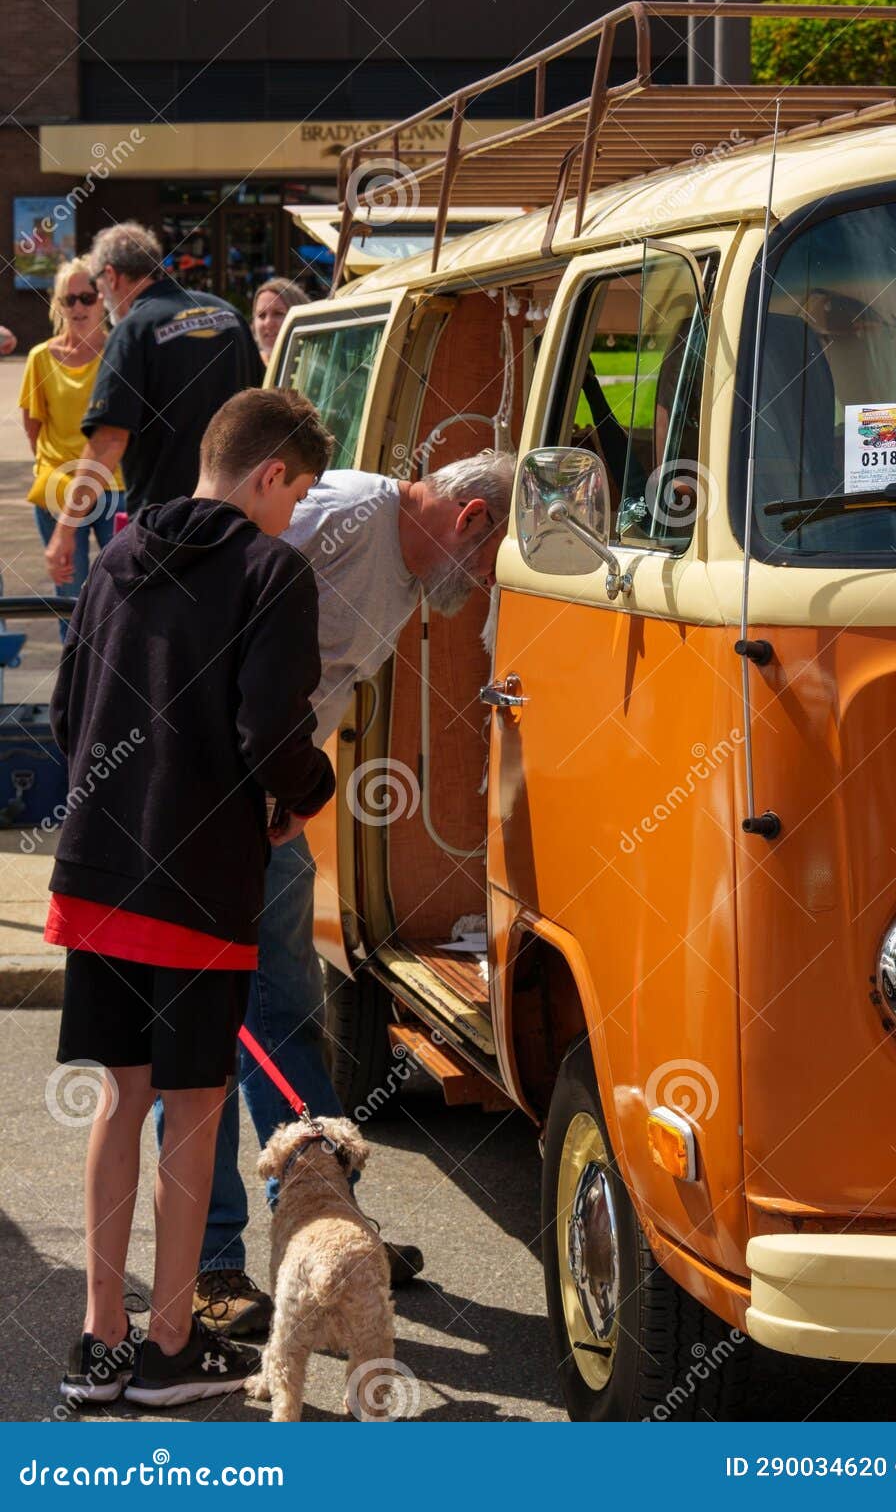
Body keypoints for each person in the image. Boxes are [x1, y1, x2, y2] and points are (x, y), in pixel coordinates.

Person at [47, 388, 335, 1409]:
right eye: (296, 493)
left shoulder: (118, 551)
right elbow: (271, 728)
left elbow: (67, 708)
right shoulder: (272, 570)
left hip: (97, 867)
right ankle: (169, 1347)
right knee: (198, 1108)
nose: (294, 513)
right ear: (270, 473)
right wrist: (309, 793)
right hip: (199, 876)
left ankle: (99, 1340)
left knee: (122, 1097)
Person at [193, 447, 515, 1338]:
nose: (484, 586)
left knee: (282, 1015)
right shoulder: (339, 518)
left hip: (270, 807)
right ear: (471, 520)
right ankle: (213, 1268)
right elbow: (211, 620)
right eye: (491, 563)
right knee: (209, 1038)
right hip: (221, 802)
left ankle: (329, 1230)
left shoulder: (411, 561)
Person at [44, 221, 262, 587]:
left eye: (96, 289)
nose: (100, 299)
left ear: (111, 276)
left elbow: (108, 441)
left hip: (169, 530)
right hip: (241, 524)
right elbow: (263, 407)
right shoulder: (229, 316)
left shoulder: (134, 331)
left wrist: (65, 529)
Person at [19, 256, 124, 632]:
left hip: (115, 489)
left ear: (102, 299)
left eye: (87, 296)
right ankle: (73, 686)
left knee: (126, 597)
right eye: (69, 299)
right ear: (57, 305)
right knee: (71, 604)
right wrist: (56, 473)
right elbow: (34, 428)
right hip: (58, 491)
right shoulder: (39, 358)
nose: (78, 306)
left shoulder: (121, 353)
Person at [251, 277, 309, 367]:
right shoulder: (246, 367)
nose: (268, 323)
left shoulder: (315, 369)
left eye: (278, 313)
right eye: (262, 315)